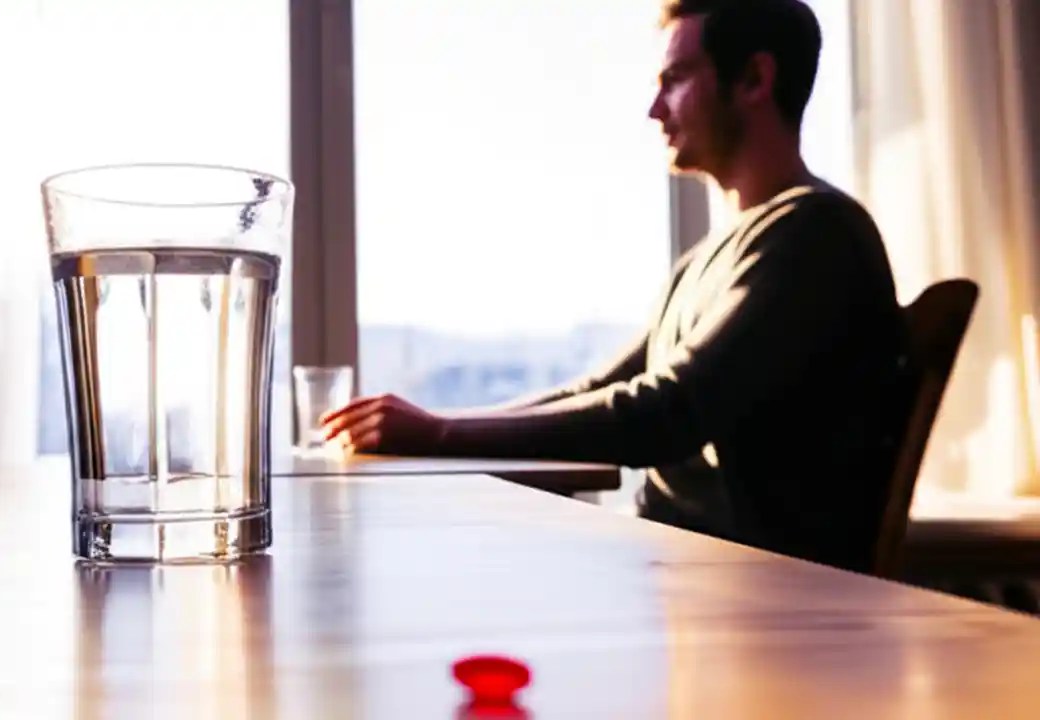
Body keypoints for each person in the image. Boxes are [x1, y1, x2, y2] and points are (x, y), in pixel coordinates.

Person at [320, 0, 909, 573]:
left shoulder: (812, 231)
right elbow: (605, 386)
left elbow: (669, 411)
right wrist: (433, 427)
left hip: (757, 597)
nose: (656, 108)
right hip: (680, 572)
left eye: (676, 79)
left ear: (755, 78)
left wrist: (440, 434)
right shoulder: (709, 257)